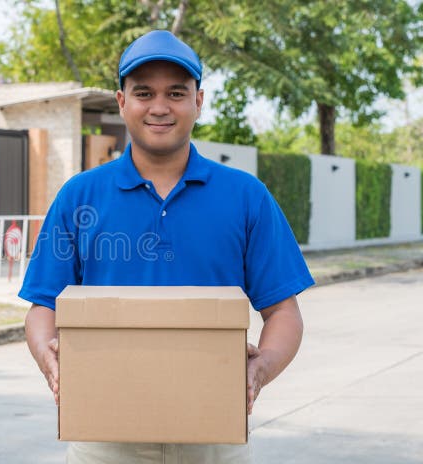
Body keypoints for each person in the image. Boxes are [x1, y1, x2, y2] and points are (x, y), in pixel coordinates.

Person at [18, 30, 314, 464]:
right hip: (104, 438)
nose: (159, 107)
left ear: (199, 101)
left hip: (214, 438)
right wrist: (49, 358)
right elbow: (43, 304)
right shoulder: (79, 197)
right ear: (122, 102)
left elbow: (284, 311)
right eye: (144, 93)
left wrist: (260, 368)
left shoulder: (246, 196)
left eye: (176, 93)